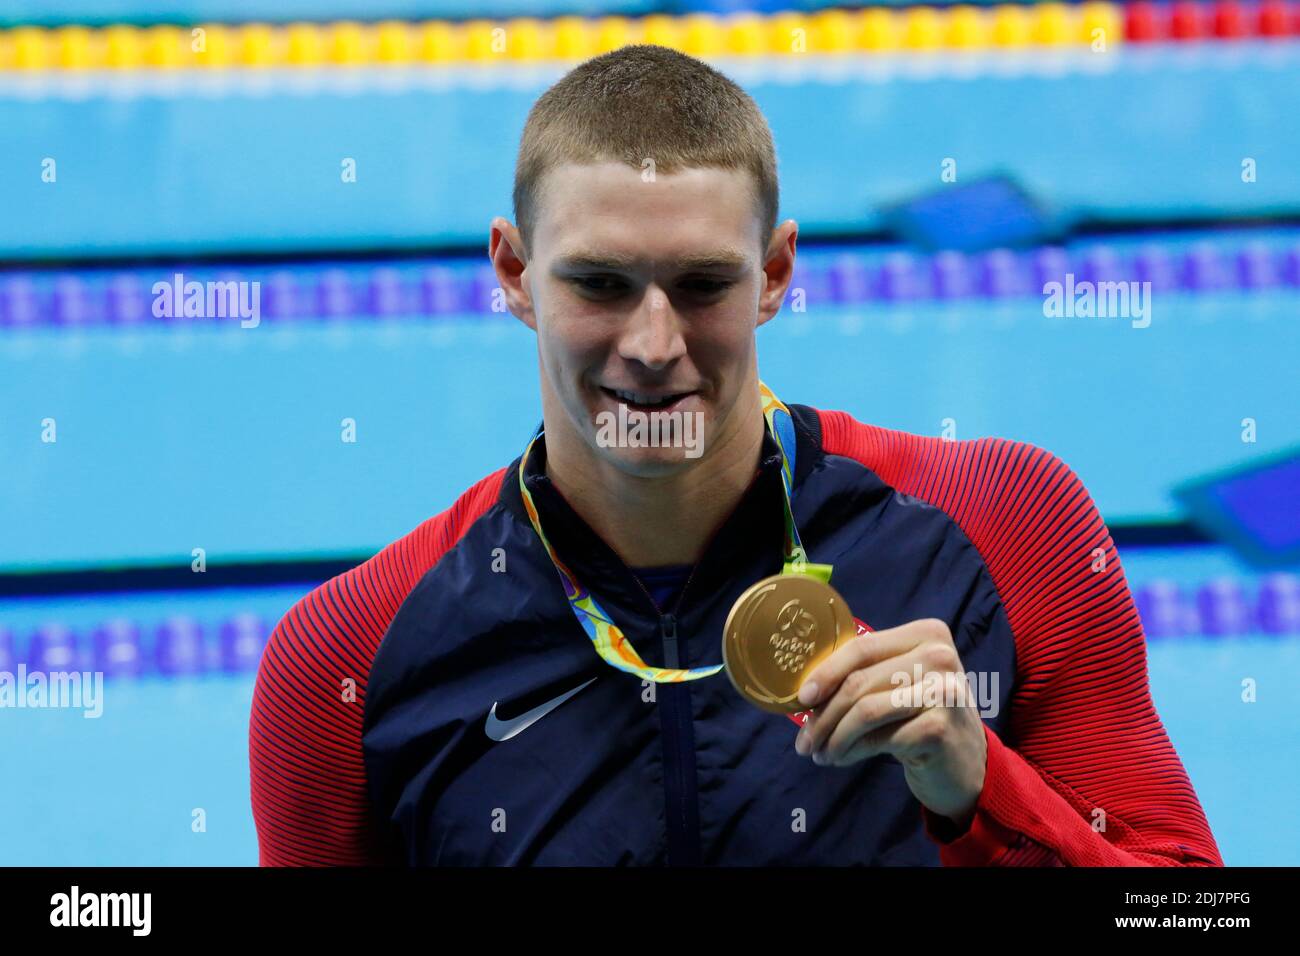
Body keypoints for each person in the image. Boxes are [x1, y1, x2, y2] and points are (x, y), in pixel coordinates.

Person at [250, 44, 1221, 866]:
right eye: (599, 282)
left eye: (703, 283)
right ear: (512, 272)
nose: (653, 343)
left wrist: (979, 789)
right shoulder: (346, 661)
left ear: (774, 274)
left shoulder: (1002, 524)